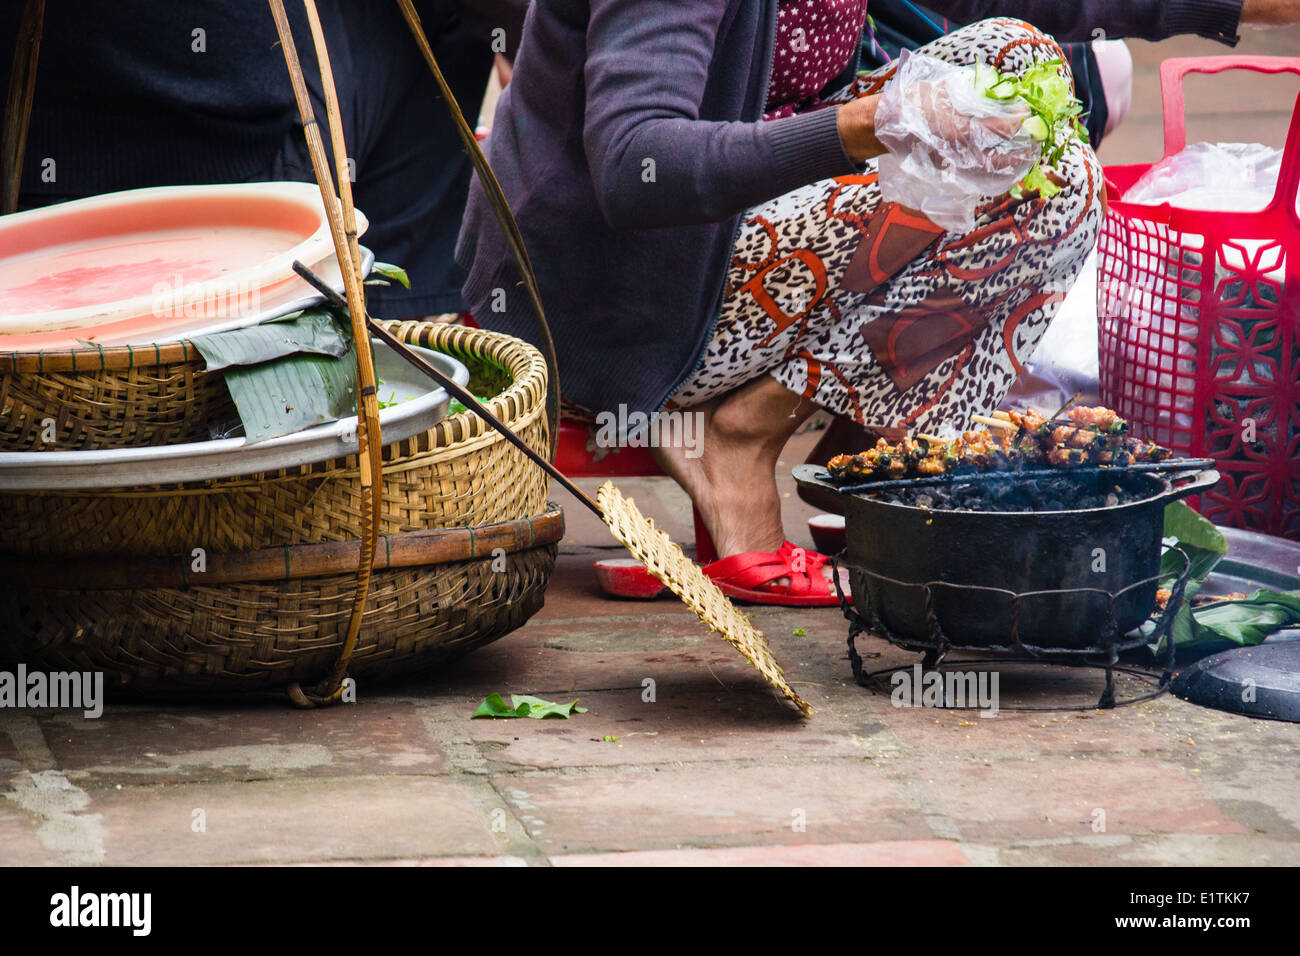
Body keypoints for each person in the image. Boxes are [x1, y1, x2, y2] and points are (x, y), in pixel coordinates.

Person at [458, 3, 1107, 605]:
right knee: (1055, 187)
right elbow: (636, 163)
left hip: (711, 238)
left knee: (1016, 56)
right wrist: (870, 125)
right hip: (604, 296)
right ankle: (738, 438)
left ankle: (844, 448)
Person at [3, 0, 527, 318]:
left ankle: (381, 313)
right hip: (233, 130)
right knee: (446, 21)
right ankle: (380, 333)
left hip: (37, 139)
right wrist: (541, 36)